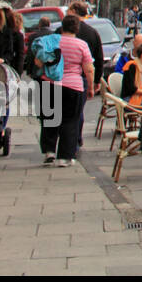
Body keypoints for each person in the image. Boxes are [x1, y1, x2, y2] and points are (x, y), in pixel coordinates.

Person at [39, 13, 94, 168]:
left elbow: (38, 62)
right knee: (70, 121)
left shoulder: (51, 42)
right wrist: (90, 87)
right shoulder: (81, 45)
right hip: (73, 86)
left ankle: (49, 151)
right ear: (77, 28)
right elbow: (89, 69)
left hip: (50, 84)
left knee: (50, 118)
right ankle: (64, 157)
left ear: (62, 26)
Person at [67, 2, 103, 92]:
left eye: (67, 11)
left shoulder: (62, 31)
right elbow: (99, 59)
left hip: (63, 77)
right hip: (83, 78)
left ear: (73, 11)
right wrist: (97, 80)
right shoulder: (92, 33)